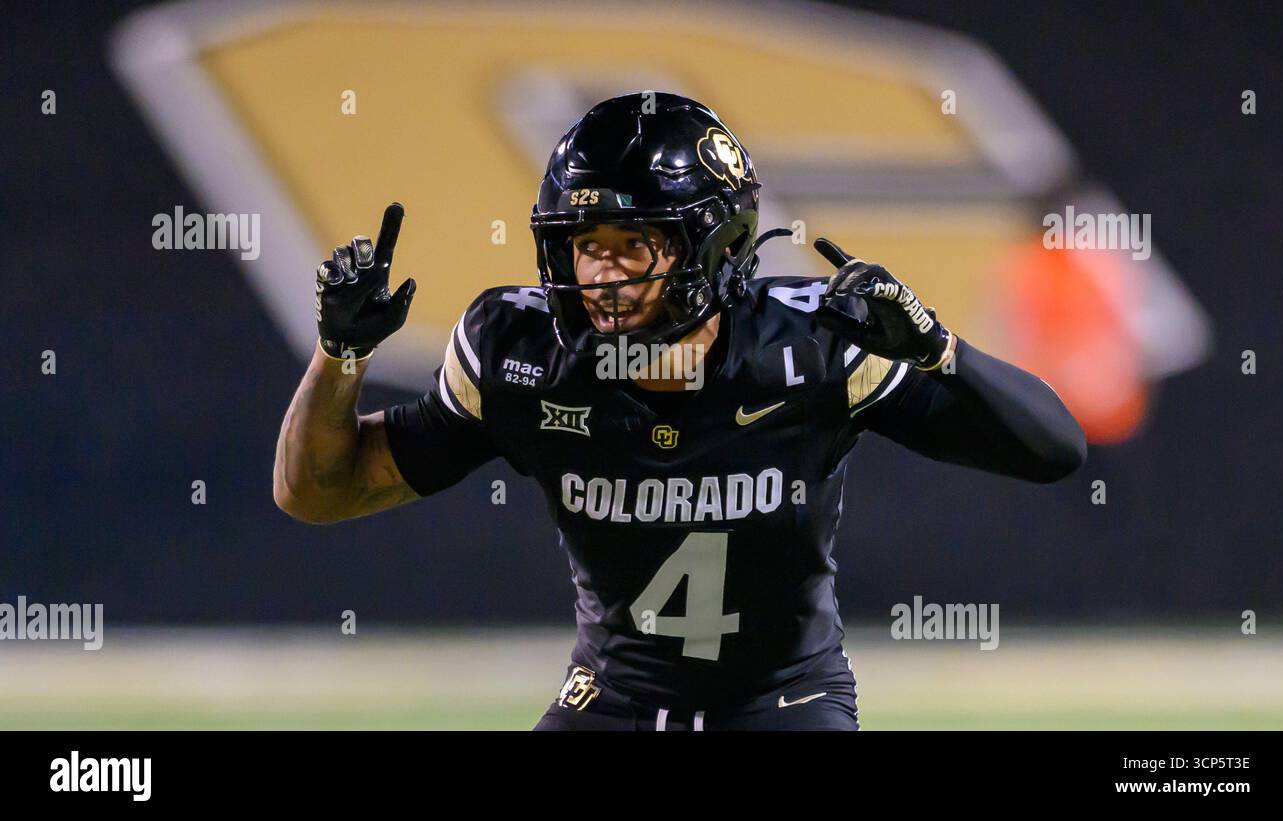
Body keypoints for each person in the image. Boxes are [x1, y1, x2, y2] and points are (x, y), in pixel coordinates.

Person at [273, 92, 1086, 730]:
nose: (601, 274)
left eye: (634, 245)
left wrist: (938, 347)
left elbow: (1054, 449)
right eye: (585, 244)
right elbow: (319, 490)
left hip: (783, 704)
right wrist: (340, 354)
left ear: (715, 245)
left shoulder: (808, 347)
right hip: (611, 699)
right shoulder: (523, 354)